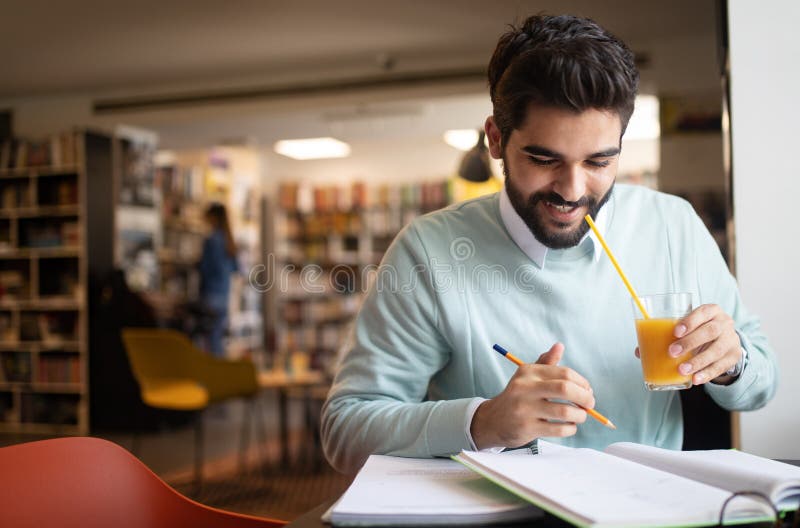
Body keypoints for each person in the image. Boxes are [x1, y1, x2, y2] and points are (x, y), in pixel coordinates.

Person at [320, 14, 778, 475]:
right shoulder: (429, 250)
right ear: (496, 139)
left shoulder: (671, 225)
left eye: (599, 161)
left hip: (647, 509)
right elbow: (344, 431)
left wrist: (731, 362)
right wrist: (482, 422)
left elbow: (762, 384)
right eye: (544, 159)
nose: (572, 190)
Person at [198, 202, 238, 357]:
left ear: (213, 218)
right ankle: (219, 375)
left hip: (210, 294)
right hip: (224, 295)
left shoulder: (212, 240)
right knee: (217, 340)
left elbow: (206, 268)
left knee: (207, 341)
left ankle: (210, 376)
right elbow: (235, 269)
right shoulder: (229, 241)